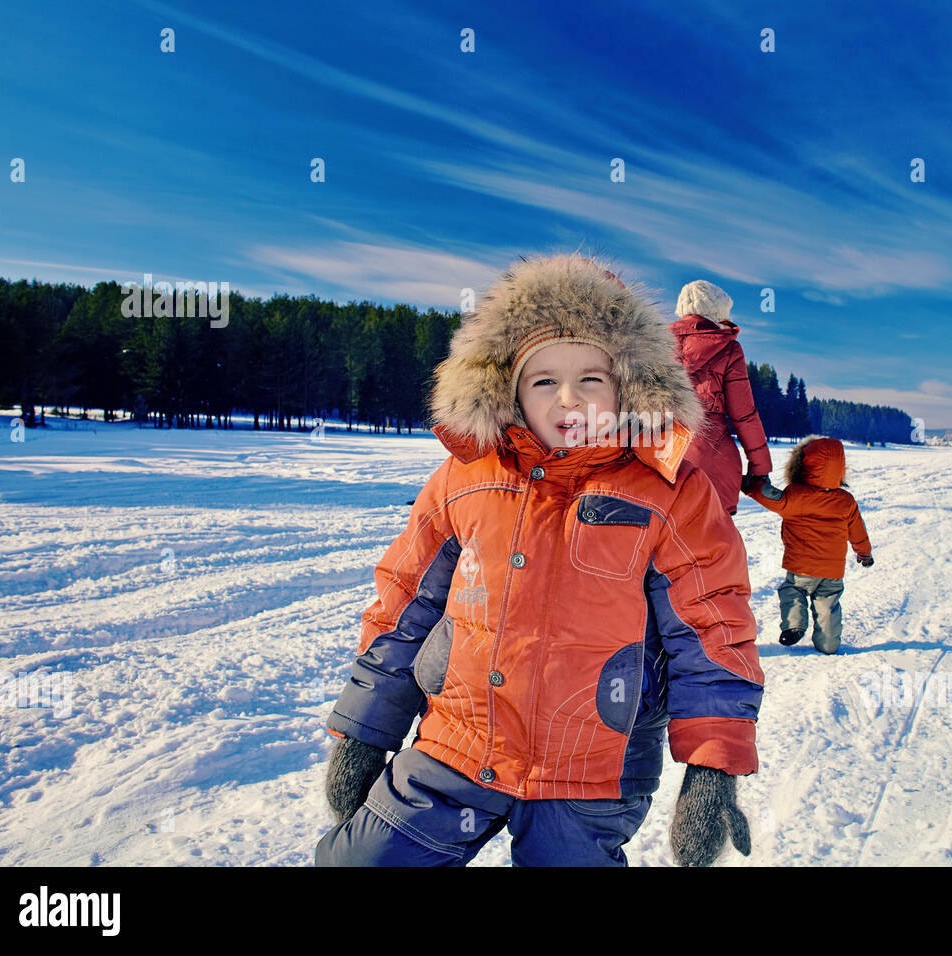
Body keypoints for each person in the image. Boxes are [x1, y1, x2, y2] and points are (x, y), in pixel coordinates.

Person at [315, 253, 763, 867]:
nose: (569, 400)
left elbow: (713, 628)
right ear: (507, 387)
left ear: (631, 387)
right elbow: (405, 604)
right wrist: (367, 728)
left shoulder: (671, 493)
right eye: (544, 380)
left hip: (593, 768)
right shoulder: (465, 478)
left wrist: (713, 768)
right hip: (459, 743)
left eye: (593, 380)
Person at [743, 435, 873, 654]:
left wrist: (750, 484)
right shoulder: (846, 501)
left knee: (792, 590)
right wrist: (865, 554)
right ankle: (829, 644)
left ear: (803, 465)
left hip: (802, 567)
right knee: (828, 604)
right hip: (832, 571)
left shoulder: (796, 495)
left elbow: (769, 496)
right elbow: (858, 531)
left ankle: (794, 625)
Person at [670, 280, 771, 516]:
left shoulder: (653, 346)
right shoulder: (728, 349)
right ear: (718, 312)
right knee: (713, 548)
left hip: (660, 461)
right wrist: (760, 467)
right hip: (713, 463)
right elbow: (744, 415)